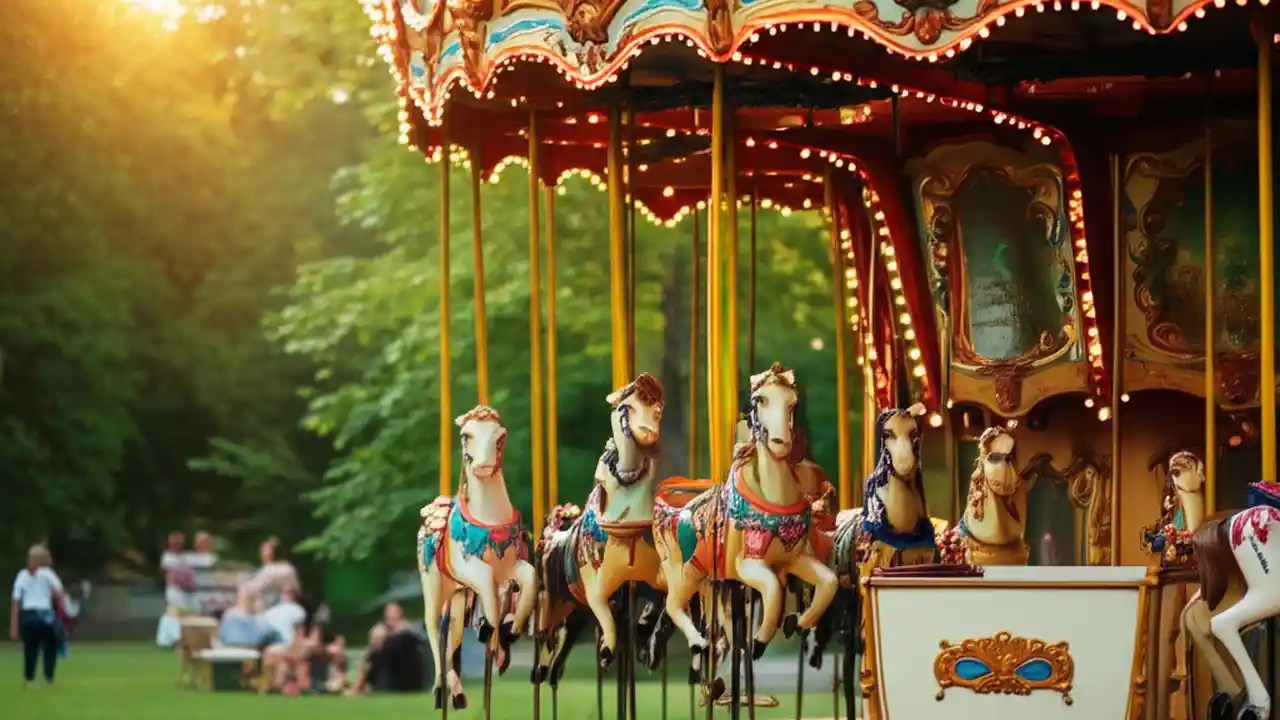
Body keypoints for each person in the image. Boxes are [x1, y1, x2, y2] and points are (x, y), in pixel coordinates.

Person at [10, 544, 65, 686]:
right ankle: (48, 677)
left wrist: (14, 626)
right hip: (44, 615)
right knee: (50, 646)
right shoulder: (48, 573)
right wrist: (61, 615)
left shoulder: (22, 575)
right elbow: (59, 594)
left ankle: (29, 678)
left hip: (28, 615)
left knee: (30, 647)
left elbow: (16, 601)